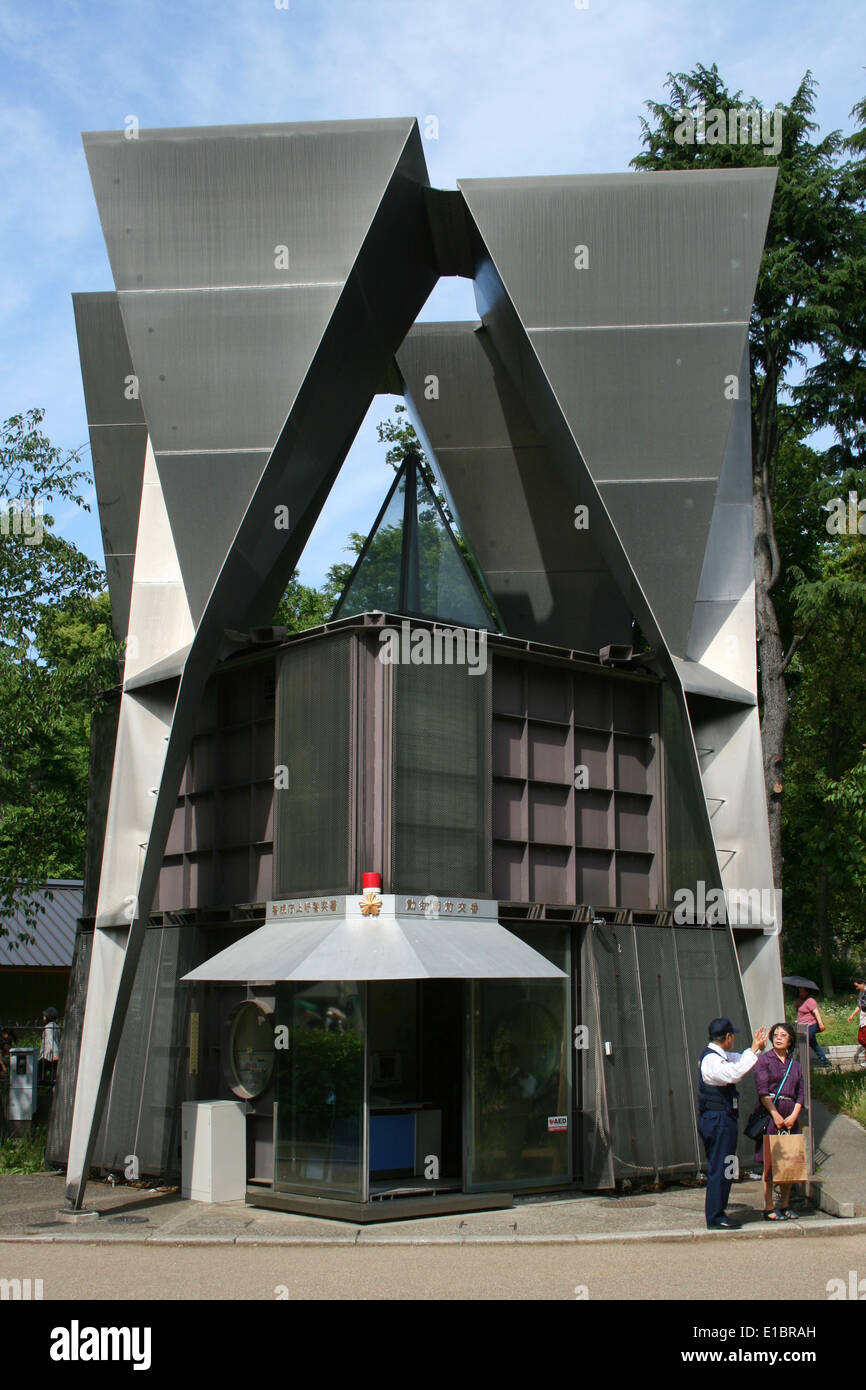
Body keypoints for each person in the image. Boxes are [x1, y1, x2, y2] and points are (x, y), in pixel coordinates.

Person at [698, 1016, 769, 1230]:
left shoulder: (720, 1054)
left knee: (726, 1164)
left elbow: (738, 1060)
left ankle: (719, 1210)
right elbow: (733, 1074)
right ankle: (715, 1215)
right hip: (718, 1118)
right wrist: (754, 1049)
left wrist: (754, 1049)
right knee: (721, 1166)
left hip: (722, 1118)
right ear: (727, 1037)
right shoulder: (712, 1060)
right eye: (732, 1036)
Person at [754, 1022, 804, 1220]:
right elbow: (762, 1091)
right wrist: (775, 1114)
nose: (778, 1037)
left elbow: (801, 1093)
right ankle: (768, 1206)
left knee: (788, 1161)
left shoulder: (795, 1064)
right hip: (770, 1113)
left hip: (790, 1112)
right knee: (769, 1162)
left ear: (790, 1039)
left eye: (783, 1035)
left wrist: (793, 1116)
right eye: (776, 1034)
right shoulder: (764, 1061)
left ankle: (785, 1204)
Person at [796, 987, 829, 1065]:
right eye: (800, 991)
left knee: (805, 1041)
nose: (800, 993)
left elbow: (816, 1012)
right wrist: (796, 1005)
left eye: (802, 991)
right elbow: (800, 1011)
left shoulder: (810, 1000)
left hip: (810, 1025)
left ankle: (800, 1060)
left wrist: (821, 1024)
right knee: (813, 1043)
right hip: (802, 1026)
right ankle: (824, 1060)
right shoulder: (800, 1000)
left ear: (807, 992)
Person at [847, 977, 866, 1068]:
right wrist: (852, 1015)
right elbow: (859, 1005)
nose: (856, 988)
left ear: (862, 983)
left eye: (857, 986)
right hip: (863, 1016)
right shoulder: (861, 993)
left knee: (864, 1039)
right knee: (861, 1038)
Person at [39, 1007, 61, 1086]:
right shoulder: (56, 1026)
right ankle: (54, 1089)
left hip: (47, 1055)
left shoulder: (48, 1027)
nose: (43, 1017)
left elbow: (50, 1040)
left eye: (44, 1015)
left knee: (38, 1074)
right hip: (54, 1055)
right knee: (54, 1076)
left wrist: (55, 1053)